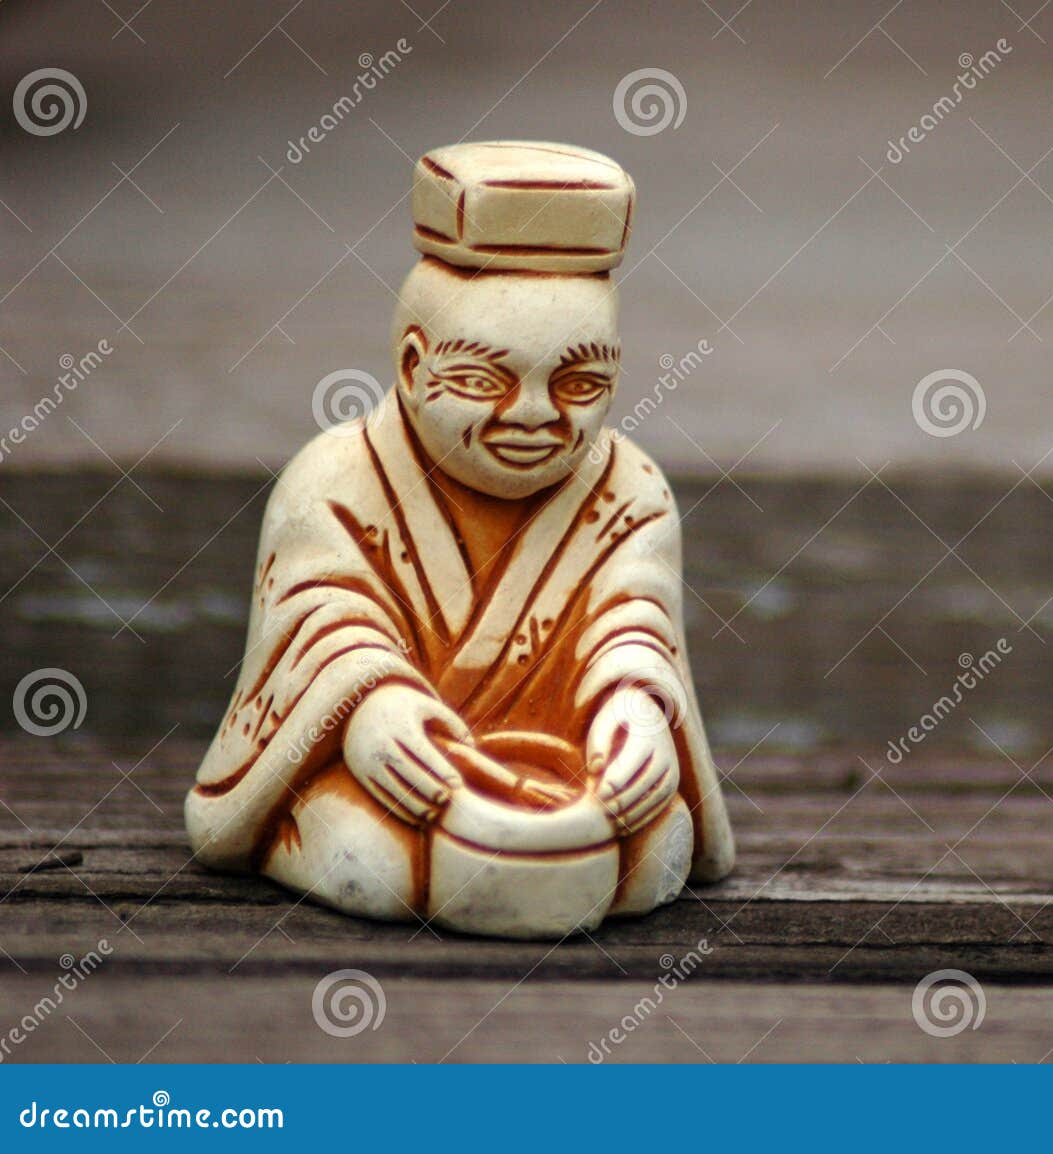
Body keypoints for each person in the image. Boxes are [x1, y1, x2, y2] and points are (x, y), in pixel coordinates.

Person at [185, 142, 734, 938]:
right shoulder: (335, 478)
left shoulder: (630, 489)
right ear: (412, 365)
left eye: (581, 386)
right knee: (370, 861)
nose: (537, 415)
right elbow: (319, 616)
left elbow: (632, 624)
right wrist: (370, 706)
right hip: (392, 779)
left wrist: (637, 708)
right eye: (485, 380)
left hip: (558, 771)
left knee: (657, 850)